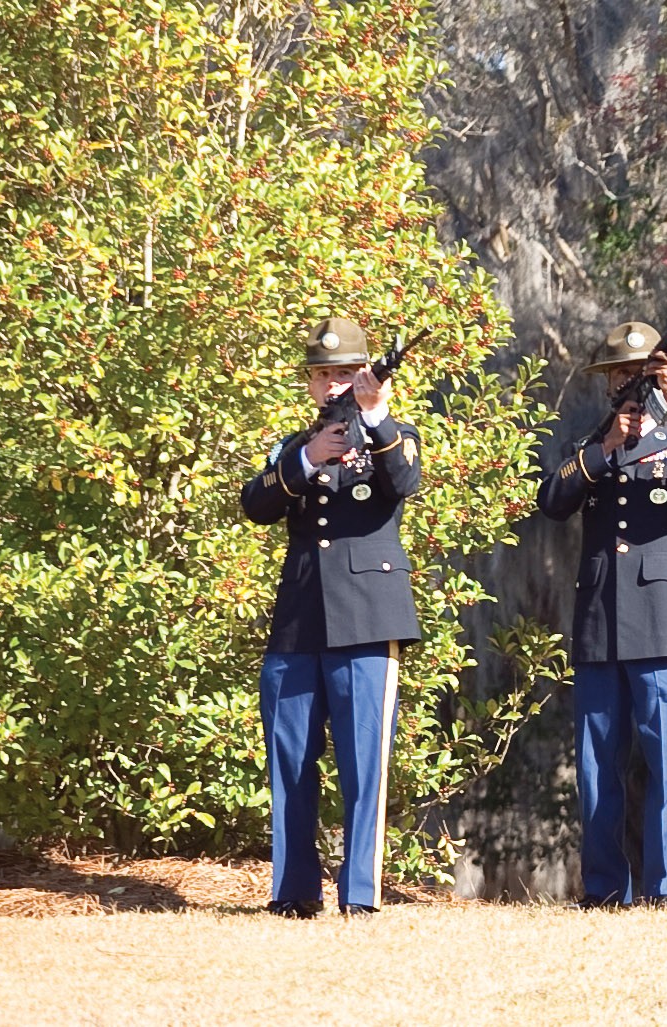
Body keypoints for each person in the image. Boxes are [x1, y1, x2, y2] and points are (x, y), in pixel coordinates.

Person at [237, 316, 423, 918]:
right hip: (299, 618)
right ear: (312, 384)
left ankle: (361, 894)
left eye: (345, 372)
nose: (333, 384)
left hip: (368, 618)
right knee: (289, 759)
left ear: (363, 377)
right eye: (323, 375)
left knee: (363, 764)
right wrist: (309, 459)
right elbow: (256, 503)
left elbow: (406, 481)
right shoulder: (295, 446)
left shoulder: (394, 434)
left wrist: (374, 416)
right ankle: (293, 892)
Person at [535, 320, 667, 908]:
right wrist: (606, 447)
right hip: (600, 622)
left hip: (664, 621)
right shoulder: (590, 444)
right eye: (618, 373)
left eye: (636, 372)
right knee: (596, 769)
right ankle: (604, 888)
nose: (625, 381)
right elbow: (553, 501)